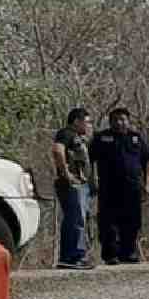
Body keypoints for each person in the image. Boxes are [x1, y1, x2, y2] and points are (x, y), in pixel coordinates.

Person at [90, 106, 149, 264]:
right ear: (110, 122)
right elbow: (90, 160)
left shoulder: (136, 138)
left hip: (132, 187)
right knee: (108, 222)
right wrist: (92, 179)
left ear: (128, 121)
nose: (119, 123)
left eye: (123, 119)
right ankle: (110, 255)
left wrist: (147, 183)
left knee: (132, 221)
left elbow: (148, 161)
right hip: (108, 187)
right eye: (115, 120)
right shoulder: (101, 138)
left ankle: (129, 253)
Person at [50, 107, 95, 270]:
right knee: (76, 219)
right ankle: (73, 256)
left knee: (76, 218)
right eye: (87, 122)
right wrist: (66, 173)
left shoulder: (80, 138)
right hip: (72, 184)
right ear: (77, 121)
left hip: (80, 183)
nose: (89, 125)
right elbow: (57, 150)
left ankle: (70, 256)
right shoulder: (66, 133)